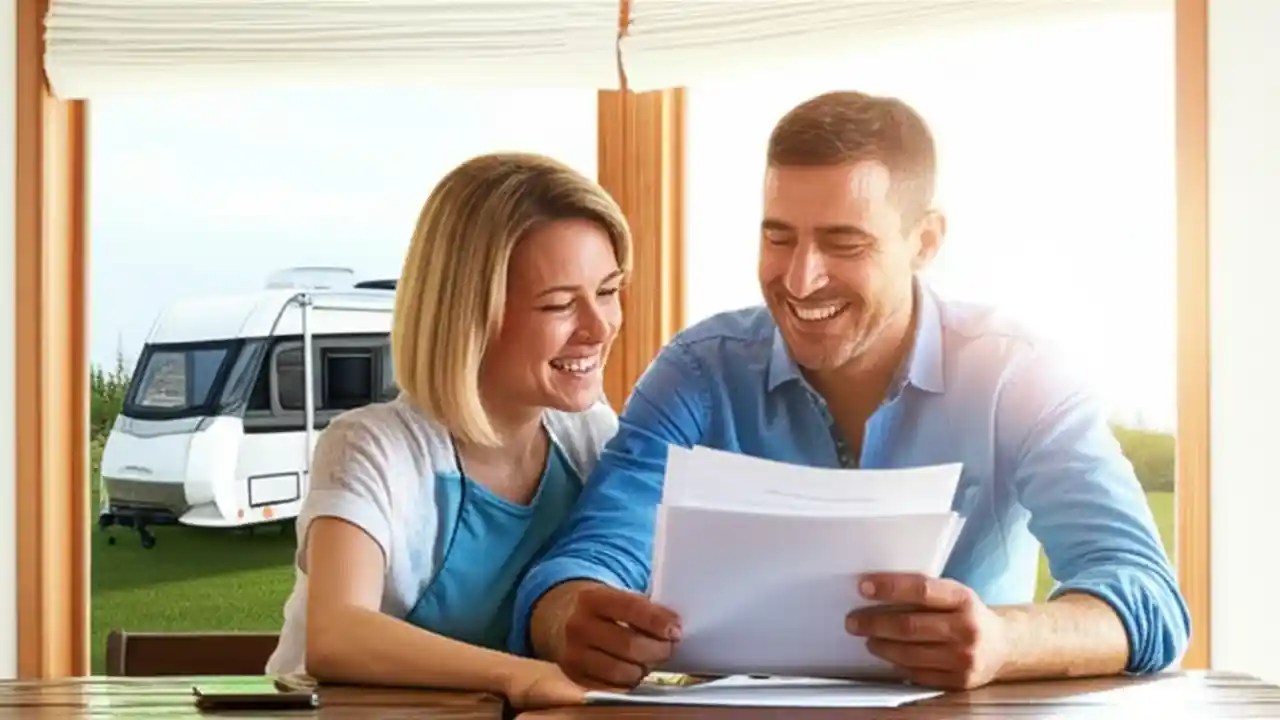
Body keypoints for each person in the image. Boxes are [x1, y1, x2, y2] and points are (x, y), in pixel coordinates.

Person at [508, 91, 1190, 692]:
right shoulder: (698, 372)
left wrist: (1005, 641)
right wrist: (574, 613)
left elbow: (1145, 595)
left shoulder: (1019, 375)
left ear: (925, 240)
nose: (801, 279)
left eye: (844, 243)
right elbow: (588, 559)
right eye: (779, 237)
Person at [264, 151, 632, 709]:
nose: (600, 326)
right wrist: (522, 679)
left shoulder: (590, 436)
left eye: (607, 291)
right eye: (559, 304)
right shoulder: (371, 447)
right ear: (469, 314)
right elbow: (336, 635)